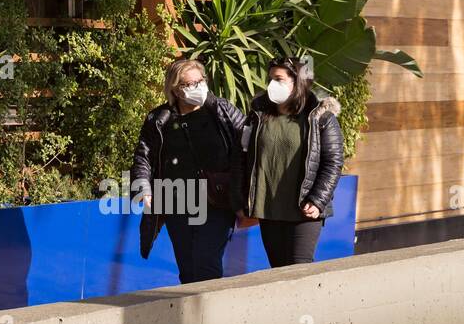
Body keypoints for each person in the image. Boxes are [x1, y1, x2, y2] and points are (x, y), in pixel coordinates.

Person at [132, 57, 247, 283]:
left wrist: (243, 191)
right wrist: (144, 190)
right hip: (176, 201)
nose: (197, 87)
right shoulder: (159, 119)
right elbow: (143, 155)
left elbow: (247, 144)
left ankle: (210, 315)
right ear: (175, 89)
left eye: (200, 81)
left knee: (207, 265)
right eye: (189, 84)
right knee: (188, 269)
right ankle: (191, 316)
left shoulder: (220, 110)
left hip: (216, 202)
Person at [244, 57, 344, 267]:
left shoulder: (320, 117)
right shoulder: (258, 115)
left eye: (279, 79)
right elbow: (242, 155)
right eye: (270, 79)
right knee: (278, 270)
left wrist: (318, 200)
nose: (272, 84)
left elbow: (332, 162)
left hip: (303, 208)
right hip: (269, 208)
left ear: (296, 81)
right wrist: (240, 199)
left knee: (300, 267)